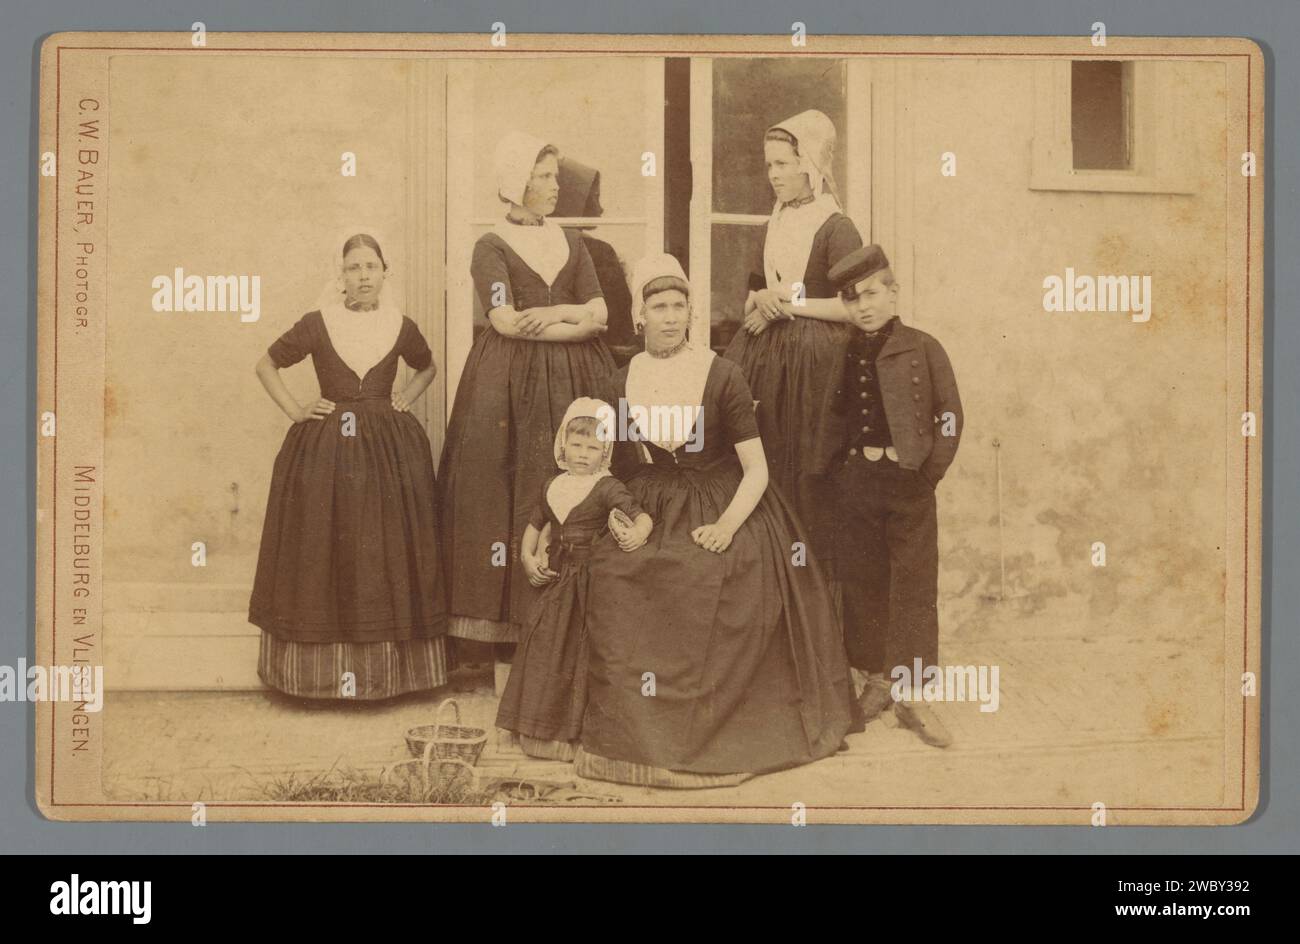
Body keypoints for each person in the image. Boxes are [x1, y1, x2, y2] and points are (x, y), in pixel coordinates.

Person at [576, 253, 855, 787]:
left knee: (716, 574)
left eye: (680, 306)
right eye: (659, 307)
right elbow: (609, 468)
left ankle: (709, 731)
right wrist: (620, 515)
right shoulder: (617, 381)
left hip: (723, 499)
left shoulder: (721, 373)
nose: (671, 317)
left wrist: (726, 526)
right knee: (616, 573)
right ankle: (634, 737)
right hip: (647, 504)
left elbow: (757, 469)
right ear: (640, 316)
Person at [248, 232, 448, 700]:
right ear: (341, 275)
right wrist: (297, 410)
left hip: (390, 453)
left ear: (384, 273)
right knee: (325, 544)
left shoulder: (402, 325)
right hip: (325, 450)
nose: (363, 276)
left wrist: (405, 397)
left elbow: (427, 367)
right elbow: (265, 365)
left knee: (385, 549)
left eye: (371, 267)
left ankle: (393, 676)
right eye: (354, 268)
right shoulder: (319, 323)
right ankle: (317, 678)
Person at [438, 131, 615, 658]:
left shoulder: (572, 242)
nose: (554, 186)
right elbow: (505, 321)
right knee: (511, 487)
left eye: (554, 176)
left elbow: (600, 313)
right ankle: (513, 637)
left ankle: (576, 630)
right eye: (542, 177)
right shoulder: (490, 246)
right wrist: (576, 324)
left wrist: (559, 315)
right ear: (516, 185)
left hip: (578, 378)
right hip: (509, 383)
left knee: (581, 484)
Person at [824, 245, 963, 747]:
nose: (863, 306)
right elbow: (832, 418)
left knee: (913, 585)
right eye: (852, 299)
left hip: (908, 483)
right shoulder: (844, 349)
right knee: (863, 582)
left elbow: (949, 416)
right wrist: (839, 474)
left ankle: (913, 696)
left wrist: (928, 476)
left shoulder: (923, 347)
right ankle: (876, 681)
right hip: (859, 484)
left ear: (893, 292)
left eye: (871, 294)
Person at [722, 109, 864, 576]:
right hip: (763, 360)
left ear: (810, 165)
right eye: (769, 166)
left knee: (805, 472)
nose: (774, 175)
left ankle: (813, 604)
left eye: (783, 164)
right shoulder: (772, 225)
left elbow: (850, 307)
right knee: (759, 462)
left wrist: (789, 304)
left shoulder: (837, 227)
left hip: (817, 368)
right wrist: (763, 298)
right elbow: (750, 300)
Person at [495, 397, 653, 761]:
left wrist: (638, 533)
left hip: (592, 582)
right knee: (545, 644)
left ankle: (576, 735)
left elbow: (639, 515)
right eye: (577, 445)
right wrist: (528, 558)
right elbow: (535, 525)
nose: (583, 454)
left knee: (583, 652)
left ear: (605, 451)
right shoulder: (554, 485)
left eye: (593, 447)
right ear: (563, 445)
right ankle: (537, 726)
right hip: (557, 579)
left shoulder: (607, 486)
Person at [553, 156, 639, 366]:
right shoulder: (599, 251)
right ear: (573, 200)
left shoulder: (537, 242)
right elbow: (620, 324)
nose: (600, 209)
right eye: (594, 198)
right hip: (595, 356)